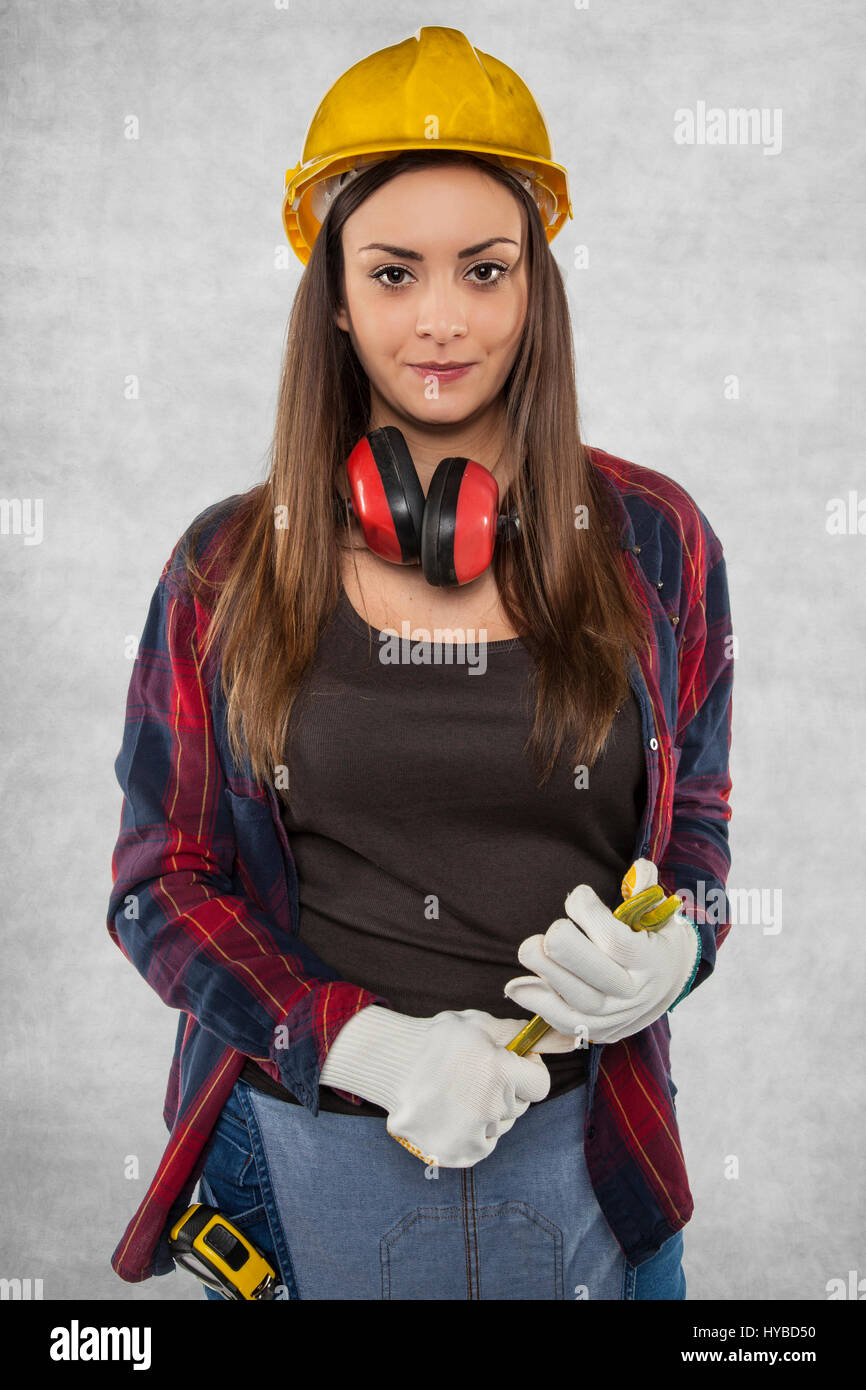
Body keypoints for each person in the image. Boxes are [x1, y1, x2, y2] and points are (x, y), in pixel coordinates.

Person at [106, 26, 733, 1301]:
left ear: (531, 288)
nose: (440, 319)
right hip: (302, 1164)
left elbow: (700, 840)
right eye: (393, 273)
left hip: (595, 1165)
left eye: (483, 270)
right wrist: (366, 1045)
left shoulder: (655, 542)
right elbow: (156, 889)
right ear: (333, 294)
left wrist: (682, 948)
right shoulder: (223, 566)